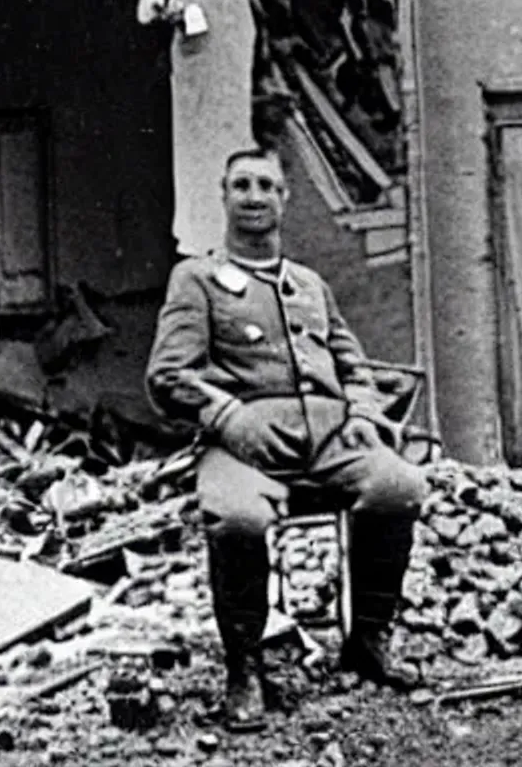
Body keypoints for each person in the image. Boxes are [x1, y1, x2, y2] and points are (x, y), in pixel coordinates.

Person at [145, 148, 428, 731]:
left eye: (266, 186)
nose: (254, 196)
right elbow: (168, 375)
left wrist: (364, 413)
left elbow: (352, 362)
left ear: (284, 198)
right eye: (242, 185)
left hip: (332, 438)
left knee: (399, 486)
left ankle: (368, 641)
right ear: (225, 196)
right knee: (237, 518)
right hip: (242, 441)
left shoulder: (309, 284)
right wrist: (229, 418)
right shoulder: (196, 279)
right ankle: (244, 668)